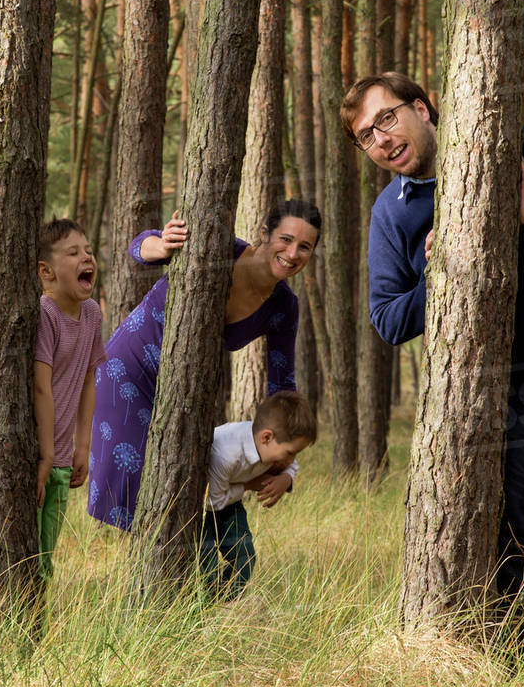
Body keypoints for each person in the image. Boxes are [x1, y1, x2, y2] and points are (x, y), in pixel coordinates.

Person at [341, 71, 524, 656]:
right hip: (460, 387)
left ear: (422, 108)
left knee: (504, 519)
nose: (381, 139)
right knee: (461, 516)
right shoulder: (390, 213)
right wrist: (438, 272)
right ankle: (479, 654)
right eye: (366, 135)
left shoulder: (509, 147)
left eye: (387, 118)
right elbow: (388, 319)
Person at [87, 199, 323, 531]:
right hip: (128, 370)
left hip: (181, 391)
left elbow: (282, 388)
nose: (293, 253)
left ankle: (162, 559)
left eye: (305, 247)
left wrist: (287, 473)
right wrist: (162, 245)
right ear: (264, 234)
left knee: (172, 483)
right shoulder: (220, 249)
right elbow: (137, 247)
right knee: (130, 484)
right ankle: (118, 557)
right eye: (286, 239)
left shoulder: (284, 306)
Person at [34, 219, 106, 581]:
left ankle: (37, 611)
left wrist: (83, 446)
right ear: (46, 272)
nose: (87, 258)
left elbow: (90, 378)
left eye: (89, 251)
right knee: (26, 547)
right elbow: (41, 387)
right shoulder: (45, 314)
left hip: (62, 459)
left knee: (46, 553)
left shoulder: (91, 313)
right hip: (37, 455)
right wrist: (45, 456)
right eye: (73, 253)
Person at [200, 391, 317, 599]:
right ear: (266, 437)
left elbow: (292, 466)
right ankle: (203, 601)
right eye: (290, 453)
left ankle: (227, 602)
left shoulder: (273, 448)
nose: (292, 460)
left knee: (244, 556)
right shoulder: (226, 454)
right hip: (202, 509)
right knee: (206, 561)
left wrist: (286, 479)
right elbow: (212, 502)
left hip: (229, 501)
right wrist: (248, 485)